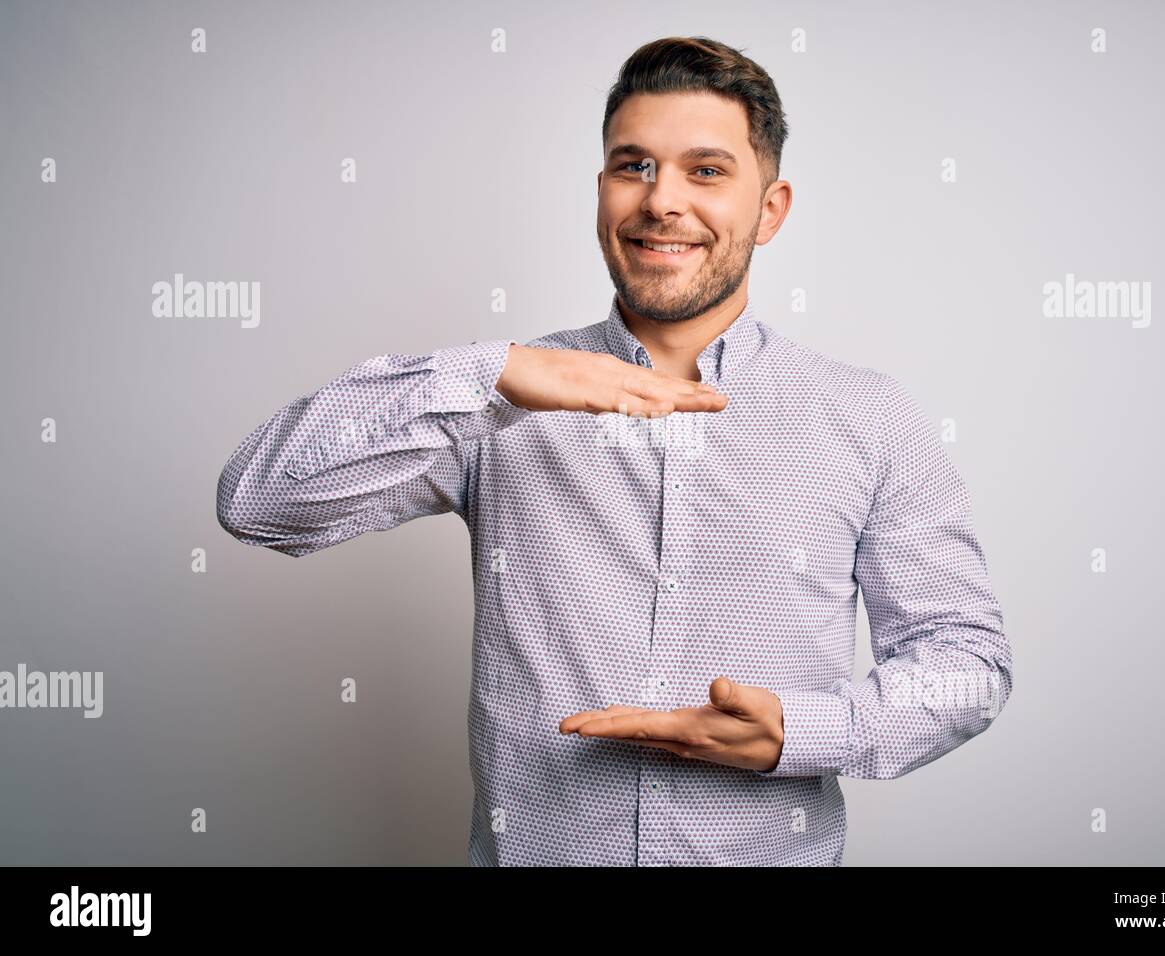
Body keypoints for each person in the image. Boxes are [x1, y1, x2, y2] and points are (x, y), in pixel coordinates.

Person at [215, 35, 1012, 866]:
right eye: (634, 166)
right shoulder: (500, 398)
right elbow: (258, 502)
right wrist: (494, 371)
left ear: (769, 209)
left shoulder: (868, 417)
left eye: (706, 170)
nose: (661, 200)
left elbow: (968, 663)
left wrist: (800, 733)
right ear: (602, 190)